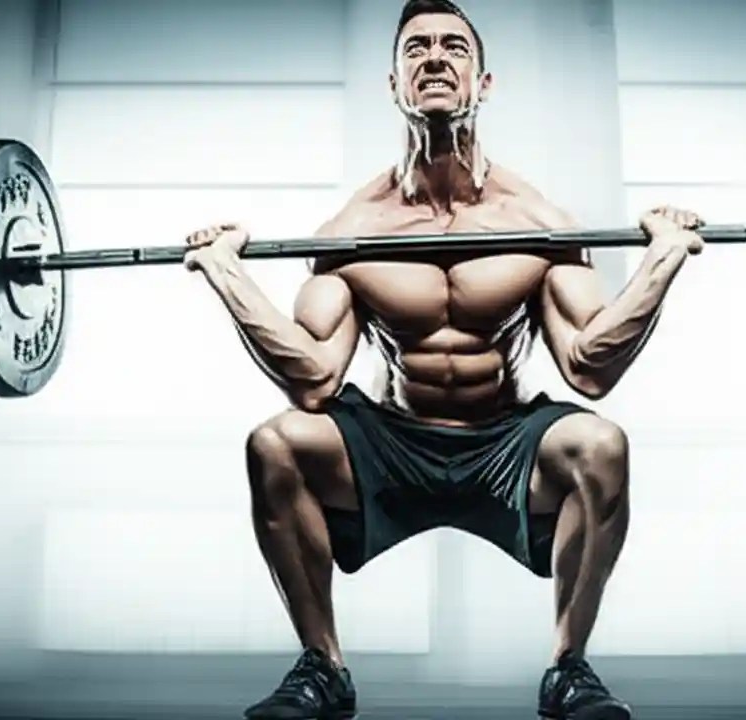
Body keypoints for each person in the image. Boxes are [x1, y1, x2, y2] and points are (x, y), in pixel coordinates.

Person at [183, 1, 703, 717]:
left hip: (504, 442)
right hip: (390, 443)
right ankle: (323, 667)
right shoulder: (352, 231)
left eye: (454, 47)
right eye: (416, 48)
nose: (434, 57)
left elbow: (590, 367)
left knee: (601, 445)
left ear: (482, 82)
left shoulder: (539, 223)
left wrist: (663, 259)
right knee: (276, 444)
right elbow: (314, 378)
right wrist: (225, 270)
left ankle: (569, 668)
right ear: (394, 83)